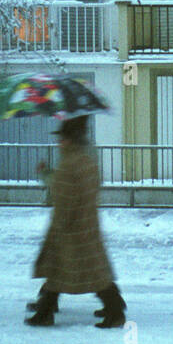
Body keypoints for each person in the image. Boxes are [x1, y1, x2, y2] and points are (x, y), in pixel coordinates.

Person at [25, 115, 126, 328]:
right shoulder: (85, 160)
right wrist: (47, 174)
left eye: (62, 138)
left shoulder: (70, 163)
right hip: (86, 225)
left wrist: (60, 226)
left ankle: (114, 311)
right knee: (91, 271)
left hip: (71, 229)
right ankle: (113, 307)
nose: (59, 142)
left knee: (62, 270)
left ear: (71, 139)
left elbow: (65, 196)